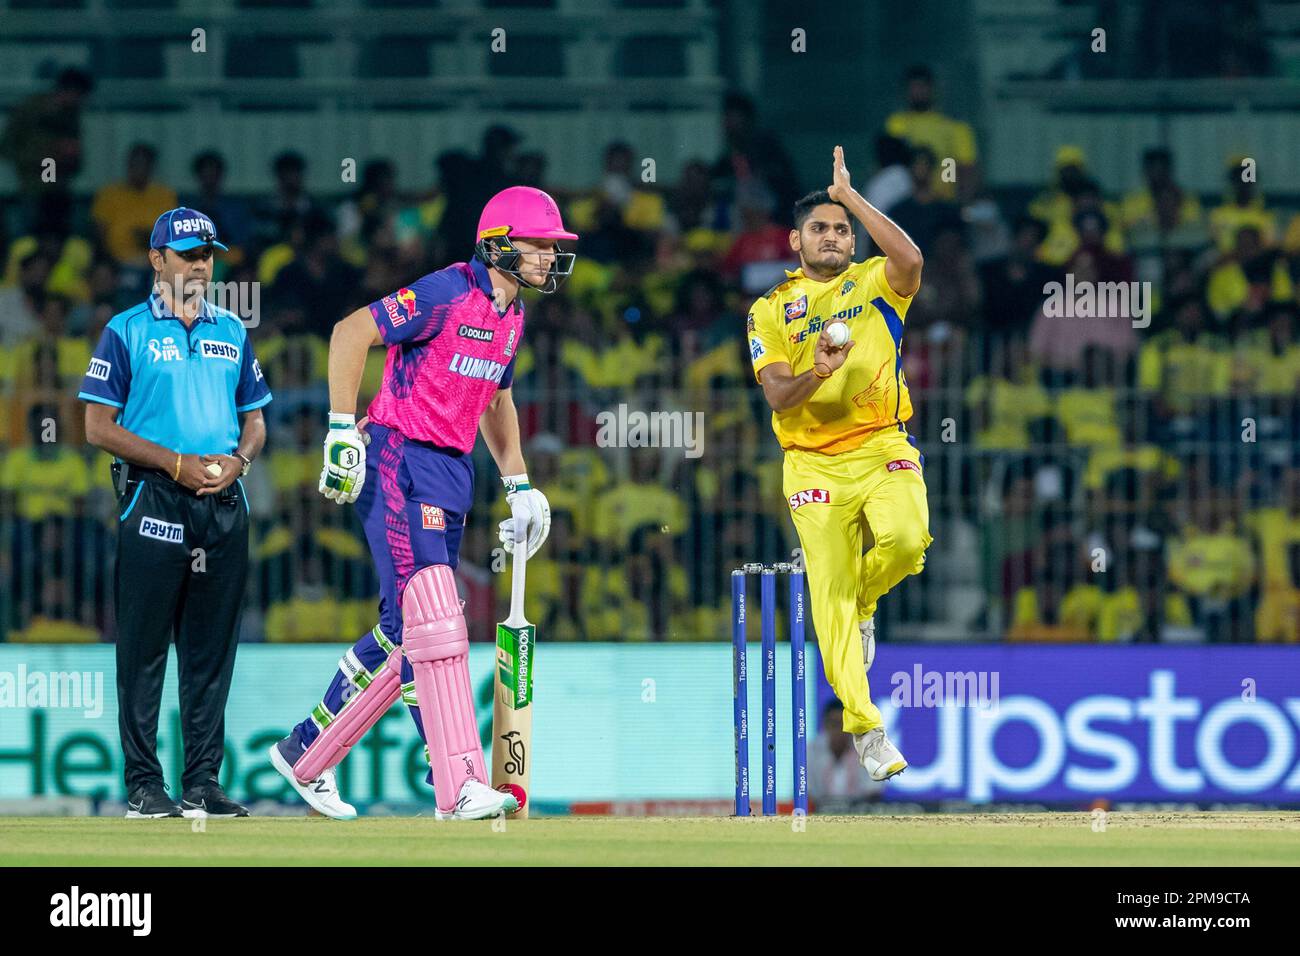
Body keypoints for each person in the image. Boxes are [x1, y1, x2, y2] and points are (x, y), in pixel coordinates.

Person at [268, 186, 577, 820]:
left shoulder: (512, 317)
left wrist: (518, 482)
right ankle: (458, 783)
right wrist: (339, 428)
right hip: (398, 457)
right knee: (435, 618)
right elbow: (351, 331)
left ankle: (305, 754)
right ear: (498, 245)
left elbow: (495, 400)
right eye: (540, 244)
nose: (550, 256)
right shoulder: (444, 292)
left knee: (403, 630)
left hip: (452, 474)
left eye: (554, 247)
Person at [78, 207, 272, 819]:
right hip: (154, 498)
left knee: (211, 649)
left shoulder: (233, 331)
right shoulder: (126, 329)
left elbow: (256, 420)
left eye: (207, 254)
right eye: (188, 254)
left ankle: (202, 783)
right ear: (156, 260)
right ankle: (142, 786)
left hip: (222, 501)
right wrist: (174, 463)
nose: (200, 264)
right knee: (144, 649)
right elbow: (95, 426)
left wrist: (238, 463)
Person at [747, 146, 927, 784]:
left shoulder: (877, 281)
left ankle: (866, 599)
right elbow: (774, 393)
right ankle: (866, 727)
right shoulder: (769, 309)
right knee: (826, 596)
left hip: (883, 445)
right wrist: (813, 373)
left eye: (842, 228)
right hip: (812, 466)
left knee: (906, 544)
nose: (833, 236)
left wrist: (853, 197)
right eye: (820, 227)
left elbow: (911, 260)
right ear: (795, 240)